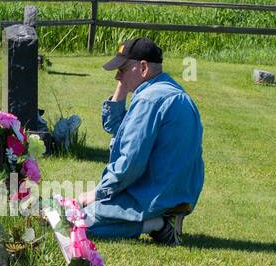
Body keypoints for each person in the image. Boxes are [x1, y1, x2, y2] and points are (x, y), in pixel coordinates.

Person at [74, 37, 204, 245]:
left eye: (122, 70)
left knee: (78, 222)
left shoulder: (149, 99)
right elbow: (117, 128)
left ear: (143, 68)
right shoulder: (168, 90)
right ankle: (159, 221)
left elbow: (130, 162)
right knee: (81, 216)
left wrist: (97, 193)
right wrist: (123, 84)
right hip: (179, 190)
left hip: (154, 193)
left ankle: (157, 224)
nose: (118, 76)